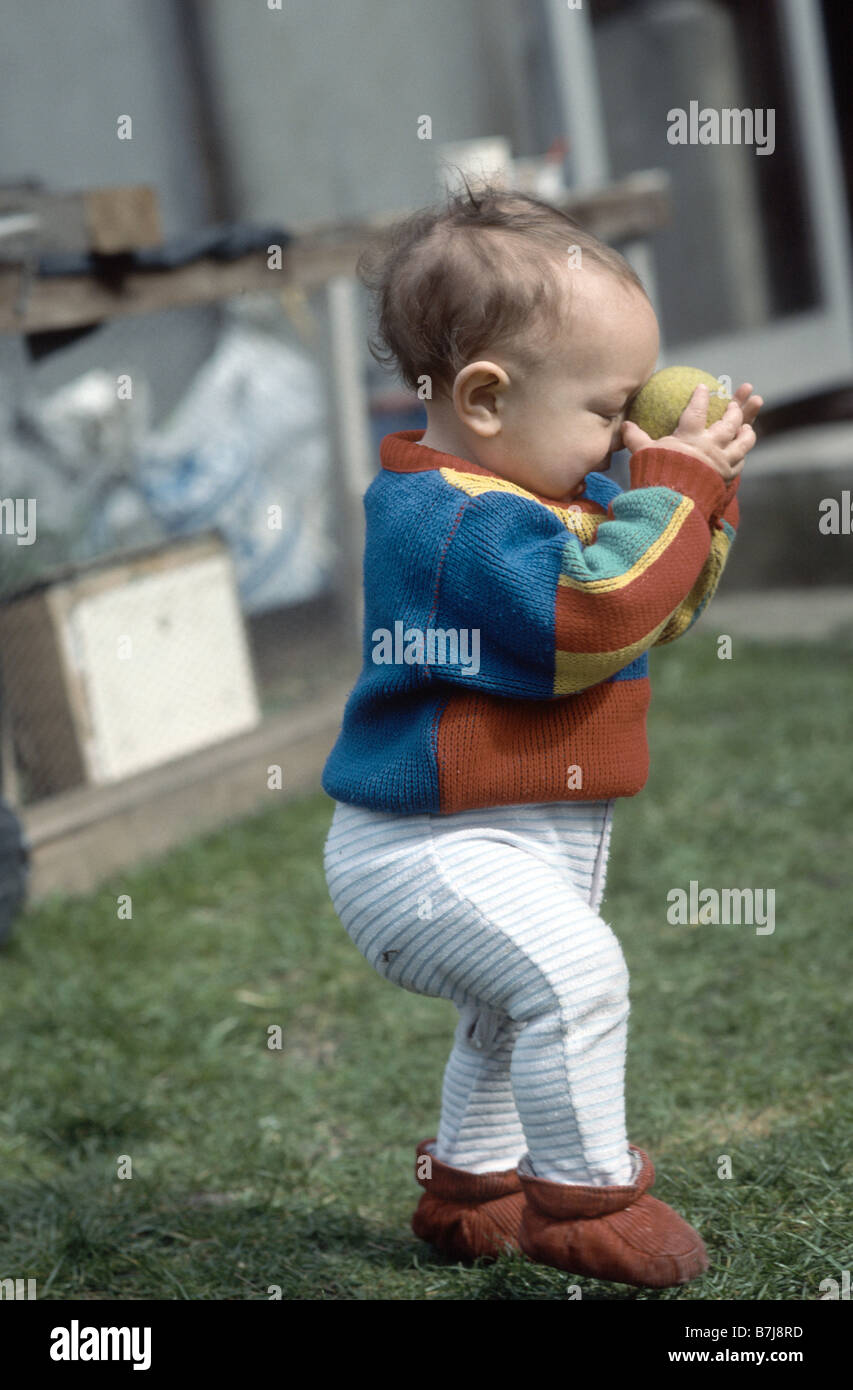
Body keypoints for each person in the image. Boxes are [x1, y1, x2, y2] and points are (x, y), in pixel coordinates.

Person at [321, 184, 762, 1288]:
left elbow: (646, 607)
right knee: (575, 980)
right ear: (483, 396)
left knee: (513, 1019)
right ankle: (582, 1202)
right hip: (421, 854)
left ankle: (473, 1191)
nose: (624, 438)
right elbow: (593, 615)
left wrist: (698, 501)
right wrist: (673, 490)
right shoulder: (454, 518)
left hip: (504, 842)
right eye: (607, 411)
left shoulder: (537, 498)